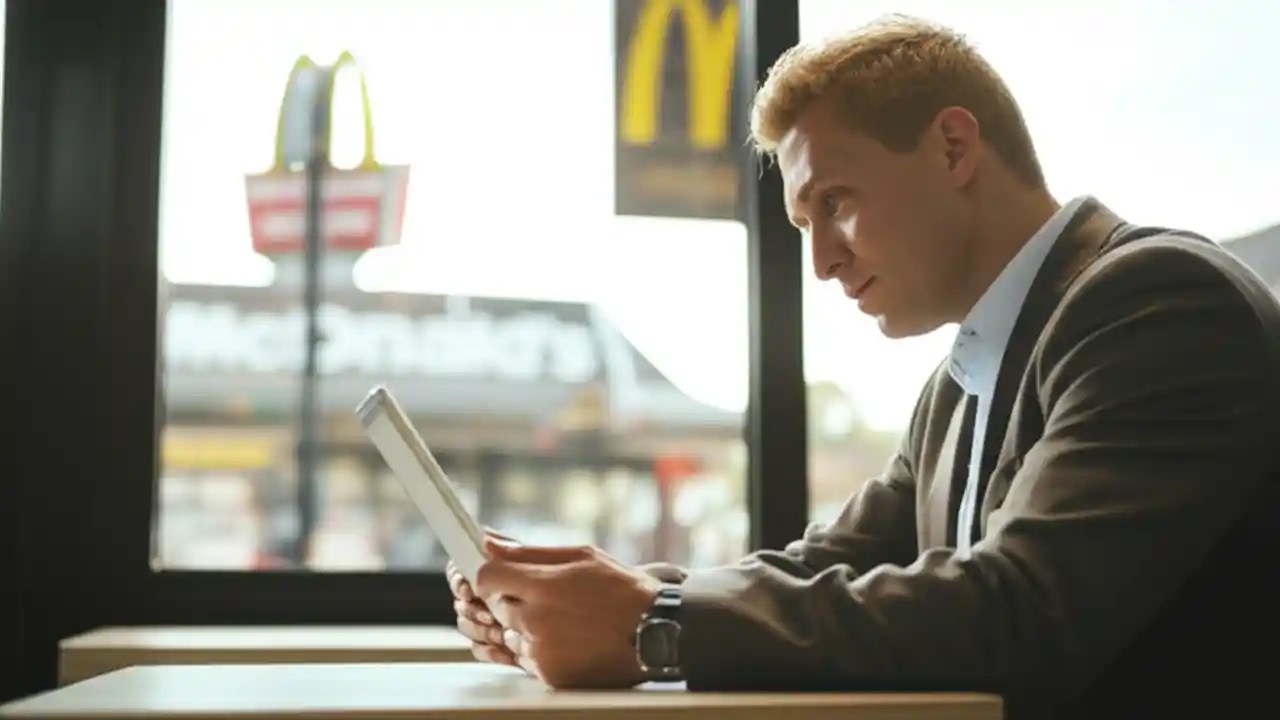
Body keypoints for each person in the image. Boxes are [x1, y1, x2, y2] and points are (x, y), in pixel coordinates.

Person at [447, 14, 1280, 719]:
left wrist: (653, 623)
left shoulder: (1156, 303)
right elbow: (829, 566)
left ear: (954, 148)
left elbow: (1023, 609)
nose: (821, 264)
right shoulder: (961, 382)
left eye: (833, 203)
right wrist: (602, 597)